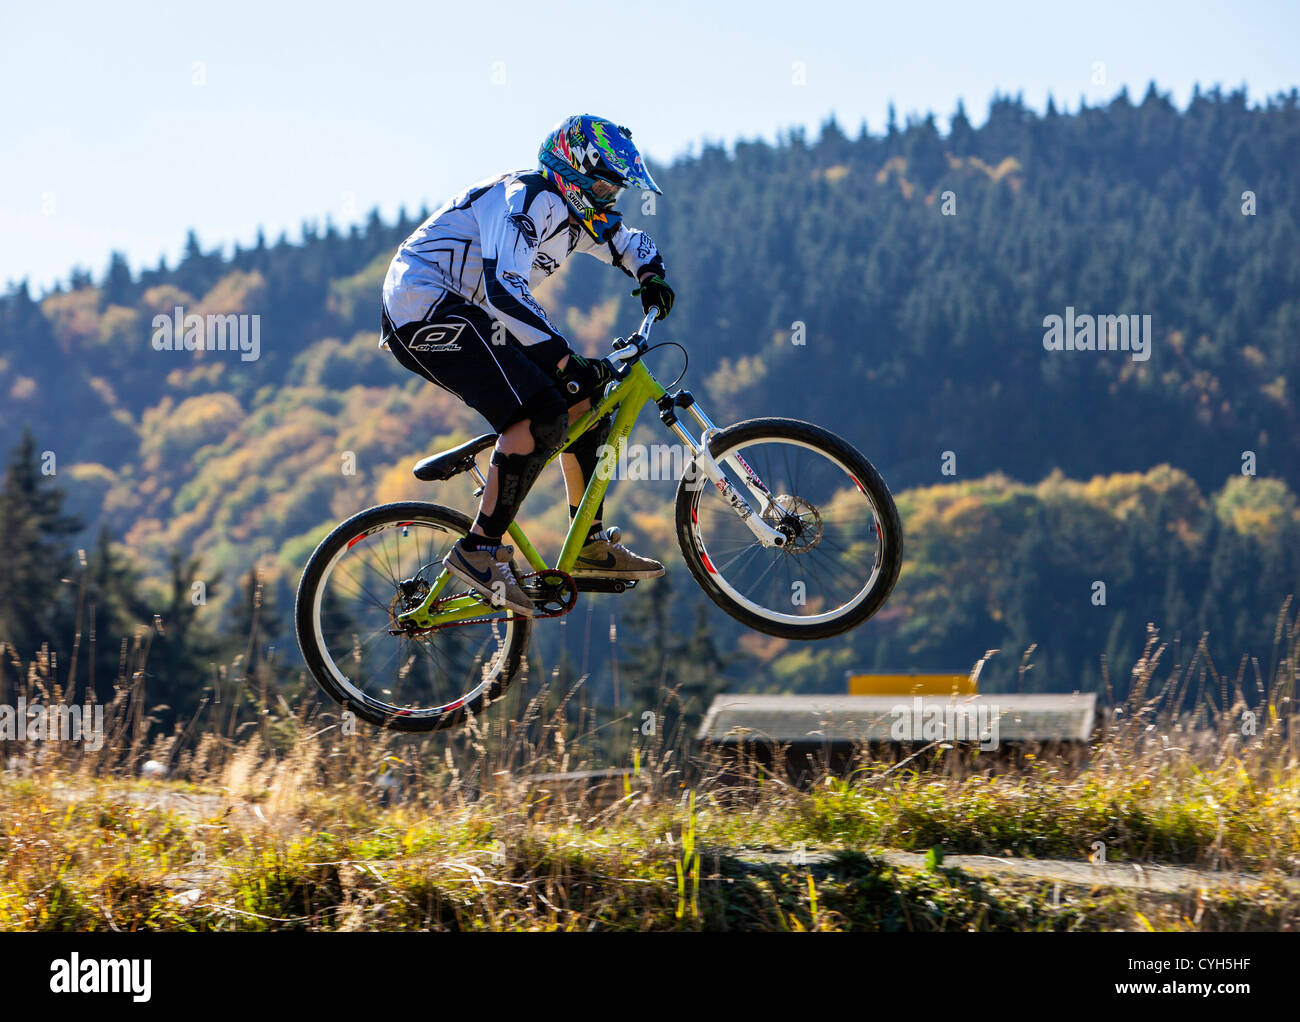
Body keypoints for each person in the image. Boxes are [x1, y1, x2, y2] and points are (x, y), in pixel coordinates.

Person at [380, 114, 675, 616]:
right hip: (423, 306)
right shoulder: (529, 199)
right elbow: (504, 290)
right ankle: (478, 550)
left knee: (586, 401)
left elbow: (627, 242)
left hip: (471, 310)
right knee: (537, 413)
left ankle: (588, 544)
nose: (610, 197)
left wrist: (650, 275)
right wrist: (563, 359)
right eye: (604, 184)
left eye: (616, 189)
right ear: (573, 171)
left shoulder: (574, 215)